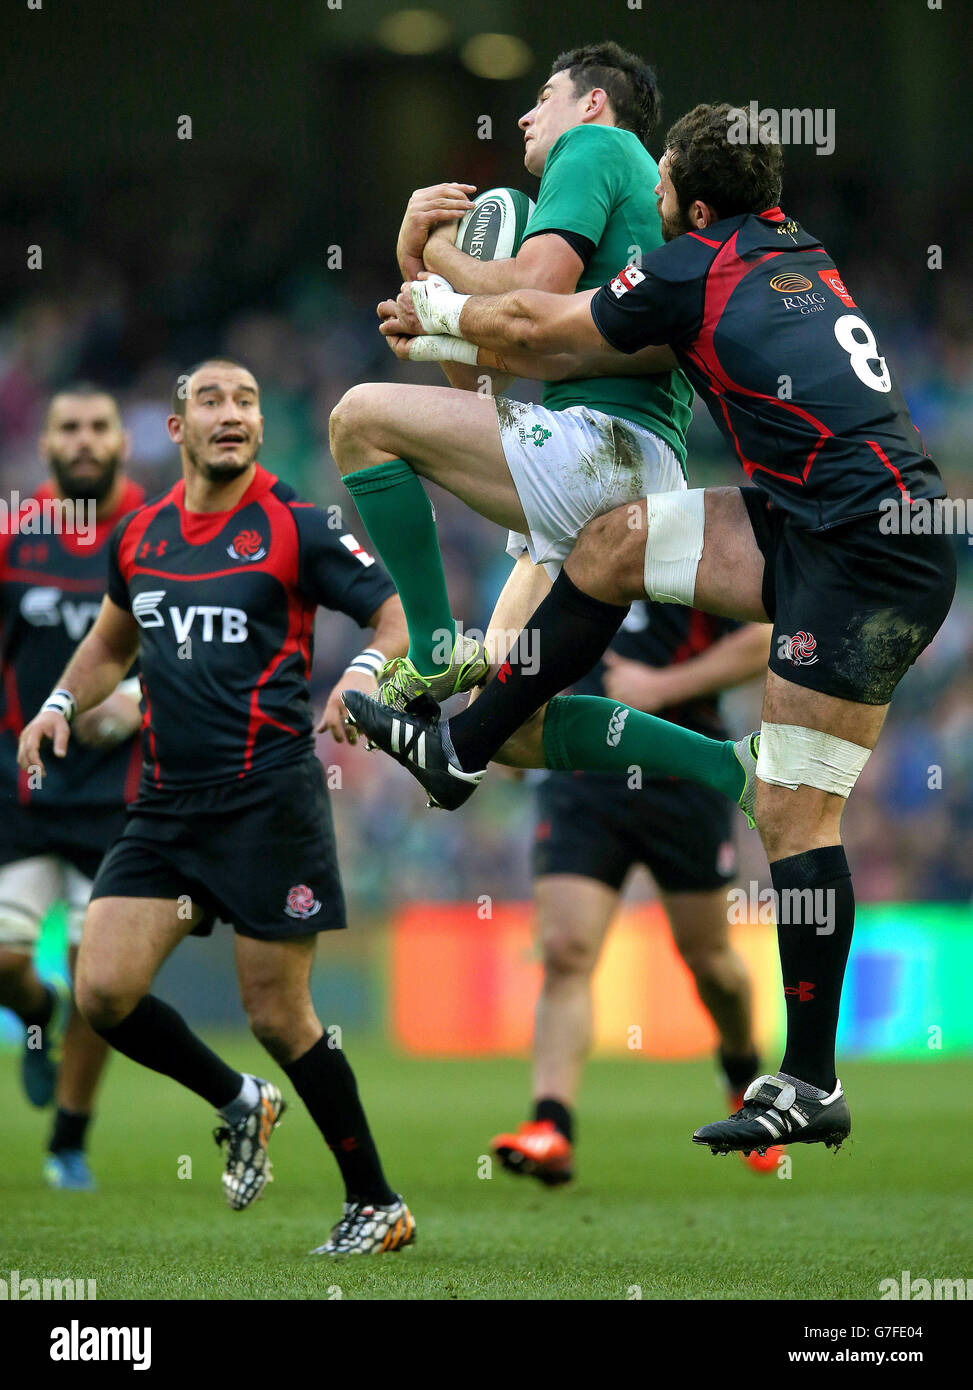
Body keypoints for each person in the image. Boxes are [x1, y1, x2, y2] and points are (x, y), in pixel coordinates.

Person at [344, 104, 955, 1159]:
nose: (654, 193)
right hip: (818, 520)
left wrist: (433, 276)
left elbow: (534, 324)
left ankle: (810, 1080)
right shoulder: (794, 250)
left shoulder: (691, 264)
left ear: (693, 202)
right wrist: (450, 332)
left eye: (665, 179)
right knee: (612, 546)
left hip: (860, 552)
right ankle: (460, 749)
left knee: (793, 815)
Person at [18, 358, 417, 1256]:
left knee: (278, 1015)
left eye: (247, 401)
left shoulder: (297, 524)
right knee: (103, 991)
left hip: (268, 802)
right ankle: (239, 1101)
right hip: (165, 807)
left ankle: (375, 1202)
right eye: (211, 400)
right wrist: (59, 705)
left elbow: (393, 616)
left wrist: (362, 674)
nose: (231, 413)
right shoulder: (141, 535)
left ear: (261, 427)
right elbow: (110, 642)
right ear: (177, 428)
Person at [330, 41, 692, 710]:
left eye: (543, 98)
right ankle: (728, 761)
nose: (526, 117)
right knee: (503, 723)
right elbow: (478, 382)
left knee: (357, 418)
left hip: (603, 449)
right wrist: (422, 276)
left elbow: (535, 289)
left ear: (593, 103)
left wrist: (434, 246)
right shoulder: (633, 190)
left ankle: (432, 646)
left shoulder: (593, 145)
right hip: (640, 471)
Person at [489, 604, 779, 1182]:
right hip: (582, 775)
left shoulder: (708, 550)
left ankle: (742, 1072)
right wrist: (499, 720)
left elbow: (770, 637)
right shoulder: (562, 550)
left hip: (685, 768)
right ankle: (551, 1125)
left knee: (709, 960)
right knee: (566, 950)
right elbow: (519, 630)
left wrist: (664, 685)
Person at [0, 384, 144, 1189]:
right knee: (5, 959)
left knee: (102, 983)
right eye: (69, 428)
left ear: (122, 440)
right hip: (19, 786)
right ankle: (33, 1011)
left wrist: (138, 699)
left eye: (99, 426)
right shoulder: (13, 536)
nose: (84, 440)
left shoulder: (158, 530)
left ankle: (67, 1141)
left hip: (120, 794)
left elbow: (198, 648)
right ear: (46, 444)